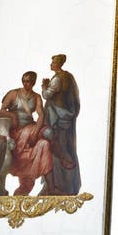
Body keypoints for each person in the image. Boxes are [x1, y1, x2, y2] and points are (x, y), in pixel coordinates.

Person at [0, 71, 53, 195]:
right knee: (46, 134)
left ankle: (50, 185)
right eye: (24, 80)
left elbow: (41, 115)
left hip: (30, 128)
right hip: (16, 132)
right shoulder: (14, 94)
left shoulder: (36, 97)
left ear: (33, 82)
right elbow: (1, 111)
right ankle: (26, 182)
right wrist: (12, 115)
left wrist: (35, 134)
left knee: (46, 140)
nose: (25, 83)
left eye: (28, 81)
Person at [40, 54, 81, 195]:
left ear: (57, 64)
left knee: (57, 148)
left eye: (52, 62)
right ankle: (60, 185)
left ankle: (60, 186)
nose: (50, 64)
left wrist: (44, 87)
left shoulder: (57, 79)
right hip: (64, 118)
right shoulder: (67, 76)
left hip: (56, 118)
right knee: (62, 146)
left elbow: (46, 95)